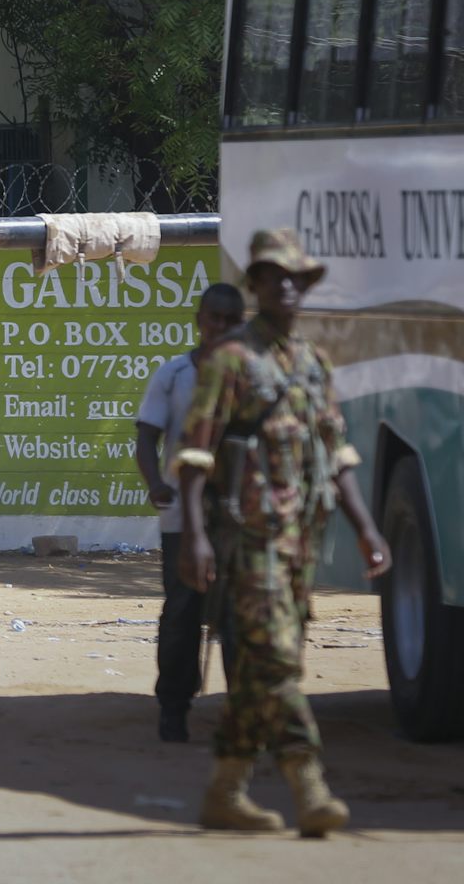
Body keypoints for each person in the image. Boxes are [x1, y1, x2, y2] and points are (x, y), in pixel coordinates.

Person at [172, 229, 392, 837]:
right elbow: (194, 457)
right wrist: (195, 536)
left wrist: (368, 529)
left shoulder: (313, 364)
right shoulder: (231, 360)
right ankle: (308, 783)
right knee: (275, 662)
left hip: (299, 542)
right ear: (258, 285)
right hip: (248, 542)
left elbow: (337, 454)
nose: (287, 287)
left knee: (262, 670)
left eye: (297, 278)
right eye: (275, 277)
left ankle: (225, 789)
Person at [134, 281, 246, 743]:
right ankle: (173, 708)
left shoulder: (254, 378)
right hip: (183, 514)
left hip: (241, 517)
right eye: (213, 317)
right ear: (199, 319)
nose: (219, 326)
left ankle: (243, 712)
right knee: (182, 611)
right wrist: (156, 483)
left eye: (229, 320)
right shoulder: (175, 374)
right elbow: (146, 437)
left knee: (241, 616)